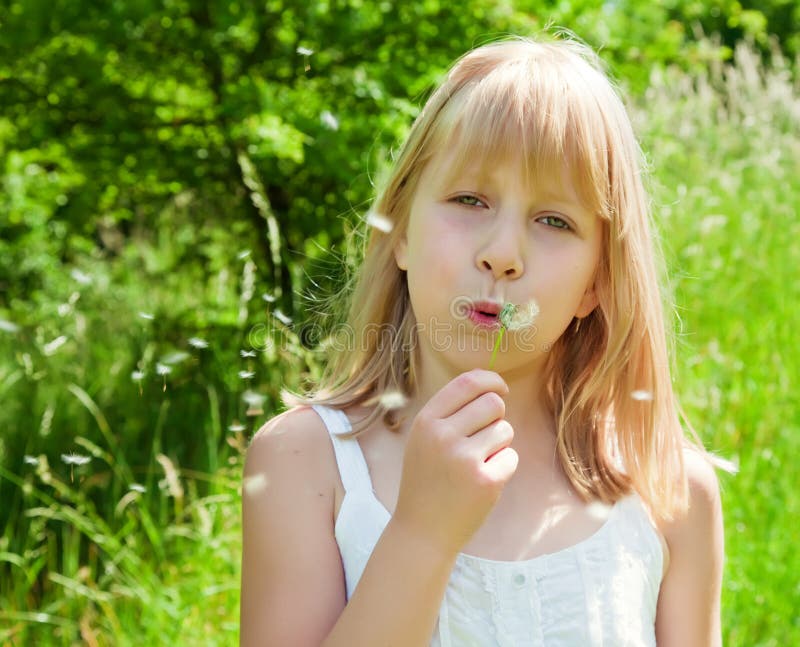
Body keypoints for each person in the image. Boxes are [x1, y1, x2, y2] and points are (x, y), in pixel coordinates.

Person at [240, 33, 725, 646]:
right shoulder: (306, 462)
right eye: (469, 199)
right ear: (400, 232)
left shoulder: (670, 493)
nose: (502, 255)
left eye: (554, 220)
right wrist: (422, 533)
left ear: (594, 285)